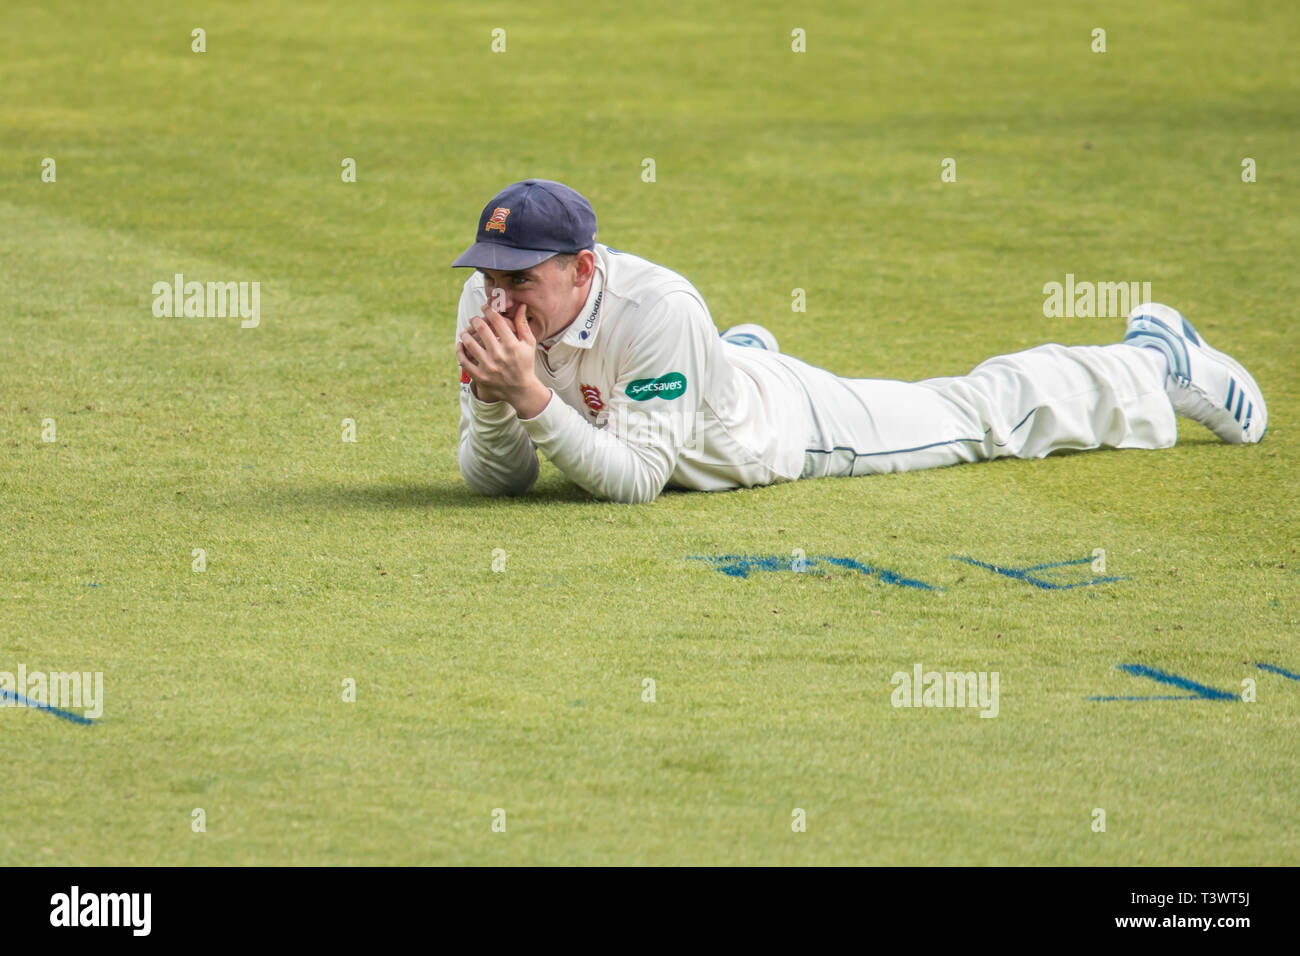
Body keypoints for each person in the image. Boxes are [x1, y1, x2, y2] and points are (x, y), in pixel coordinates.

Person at [452, 179, 1267, 505]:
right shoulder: (481, 300)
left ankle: (1154, 365)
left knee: (973, 416)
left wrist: (529, 396)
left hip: (784, 433)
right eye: (492, 274)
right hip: (700, 381)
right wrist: (496, 404)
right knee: (703, 370)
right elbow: (500, 484)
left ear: (583, 268)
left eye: (521, 279)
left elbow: (634, 482)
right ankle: (733, 362)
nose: (499, 296)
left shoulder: (658, 308)